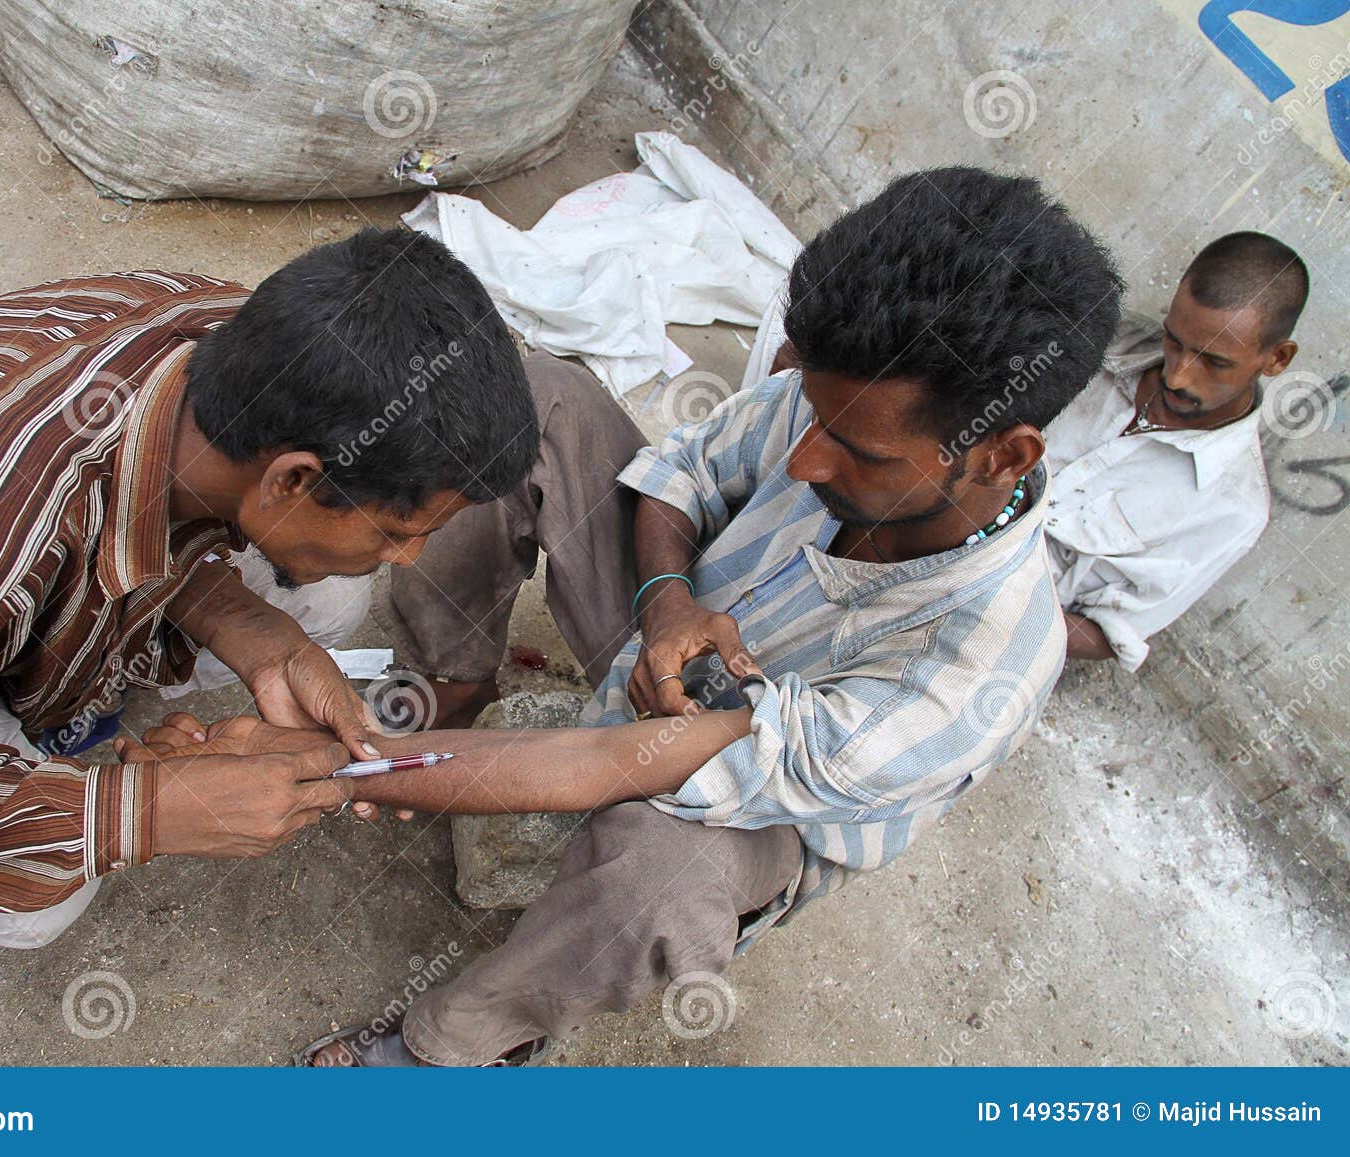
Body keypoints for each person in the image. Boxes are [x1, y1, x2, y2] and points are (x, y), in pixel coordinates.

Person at [131, 166, 1123, 1065]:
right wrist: (666, 601)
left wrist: (335, 768)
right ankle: (454, 680)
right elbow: (683, 475)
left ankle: (454, 1046)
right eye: (809, 413)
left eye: (854, 451)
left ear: (1001, 457)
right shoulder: (841, 399)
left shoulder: (977, 667)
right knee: (539, 404)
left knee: (660, 877)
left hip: (749, 793)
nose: (807, 455)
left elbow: (616, 764)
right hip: (665, 647)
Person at [0, 229, 539, 947]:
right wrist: (147, 811)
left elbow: (144, 510)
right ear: (292, 479)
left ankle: (33, 688)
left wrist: (251, 626)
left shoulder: (255, 343)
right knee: (36, 903)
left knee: (327, 602)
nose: (409, 557)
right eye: (398, 530)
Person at [1041, 232, 1307, 669]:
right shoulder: (1104, 337)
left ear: (1277, 359)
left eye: (1214, 362)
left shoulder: (1232, 508)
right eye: (1174, 340)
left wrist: (1005, 615)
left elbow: (1111, 634)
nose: (1179, 375)